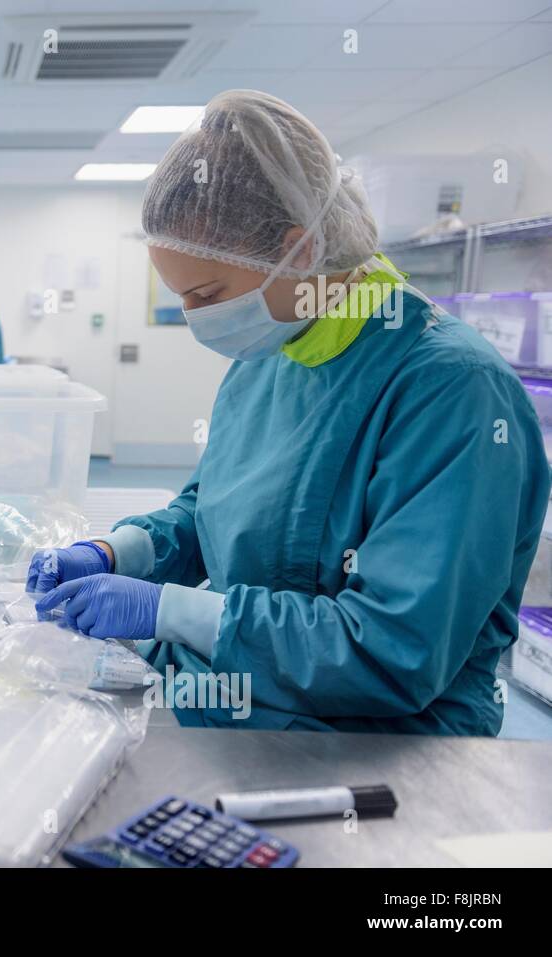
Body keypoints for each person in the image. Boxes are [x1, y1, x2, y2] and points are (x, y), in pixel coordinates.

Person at [27, 90, 548, 736]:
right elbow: (212, 508)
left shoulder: (452, 393)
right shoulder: (272, 351)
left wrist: (170, 611)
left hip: (369, 746)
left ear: (299, 253)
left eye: (207, 293)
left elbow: (391, 651)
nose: (194, 317)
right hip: (233, 696)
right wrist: (118, 551)